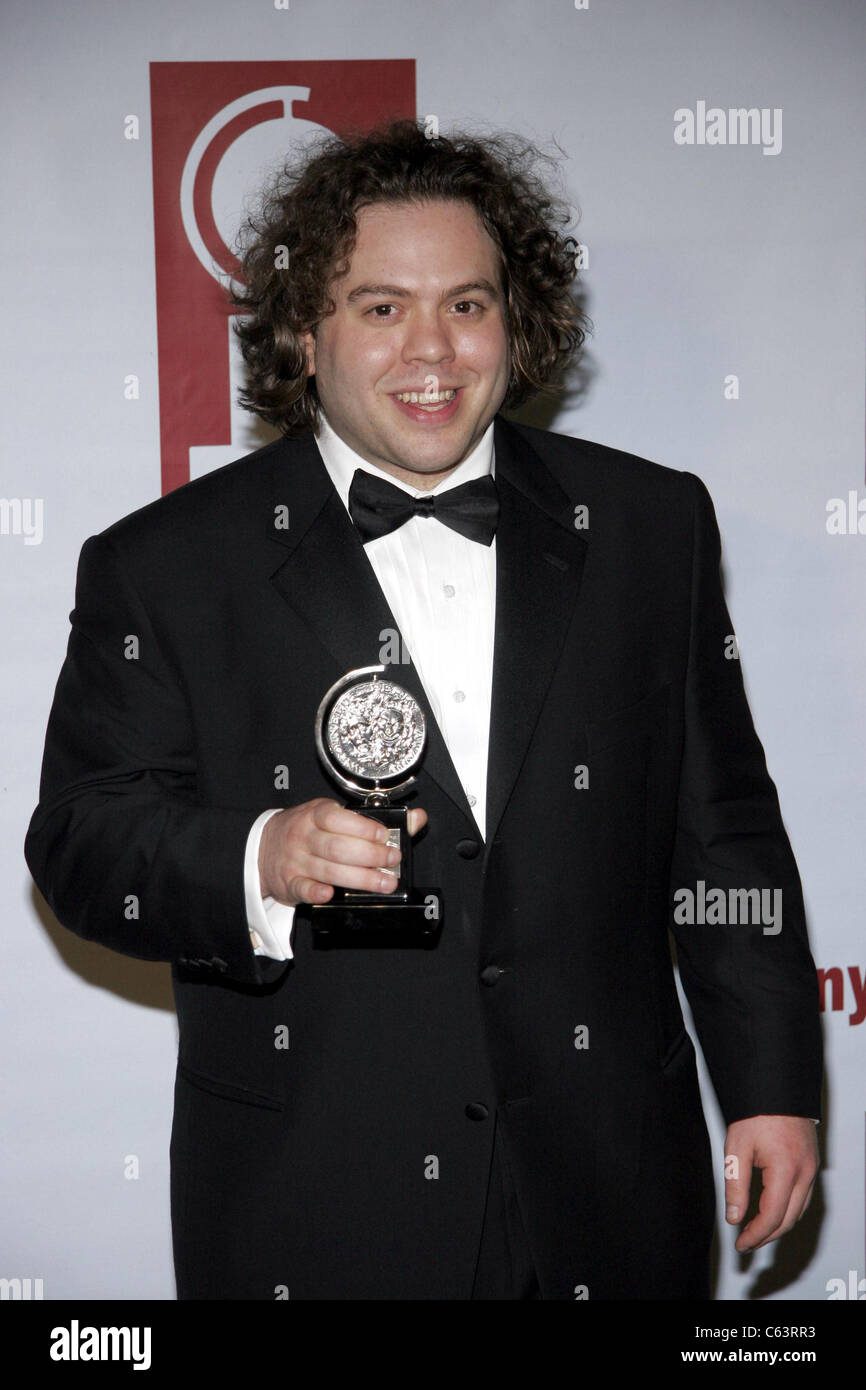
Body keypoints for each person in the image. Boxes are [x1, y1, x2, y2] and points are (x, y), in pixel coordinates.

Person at [24, 119, 822, 1300]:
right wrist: (260, 857)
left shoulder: (649, 528)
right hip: (316, 1203)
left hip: (609, 1188)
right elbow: (81, 841)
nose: (432, 349)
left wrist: (769, 1084)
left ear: (519, 318)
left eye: (466, 302)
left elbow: (725, 830)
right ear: (306, 333)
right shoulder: (166, 566)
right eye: (380, 307)